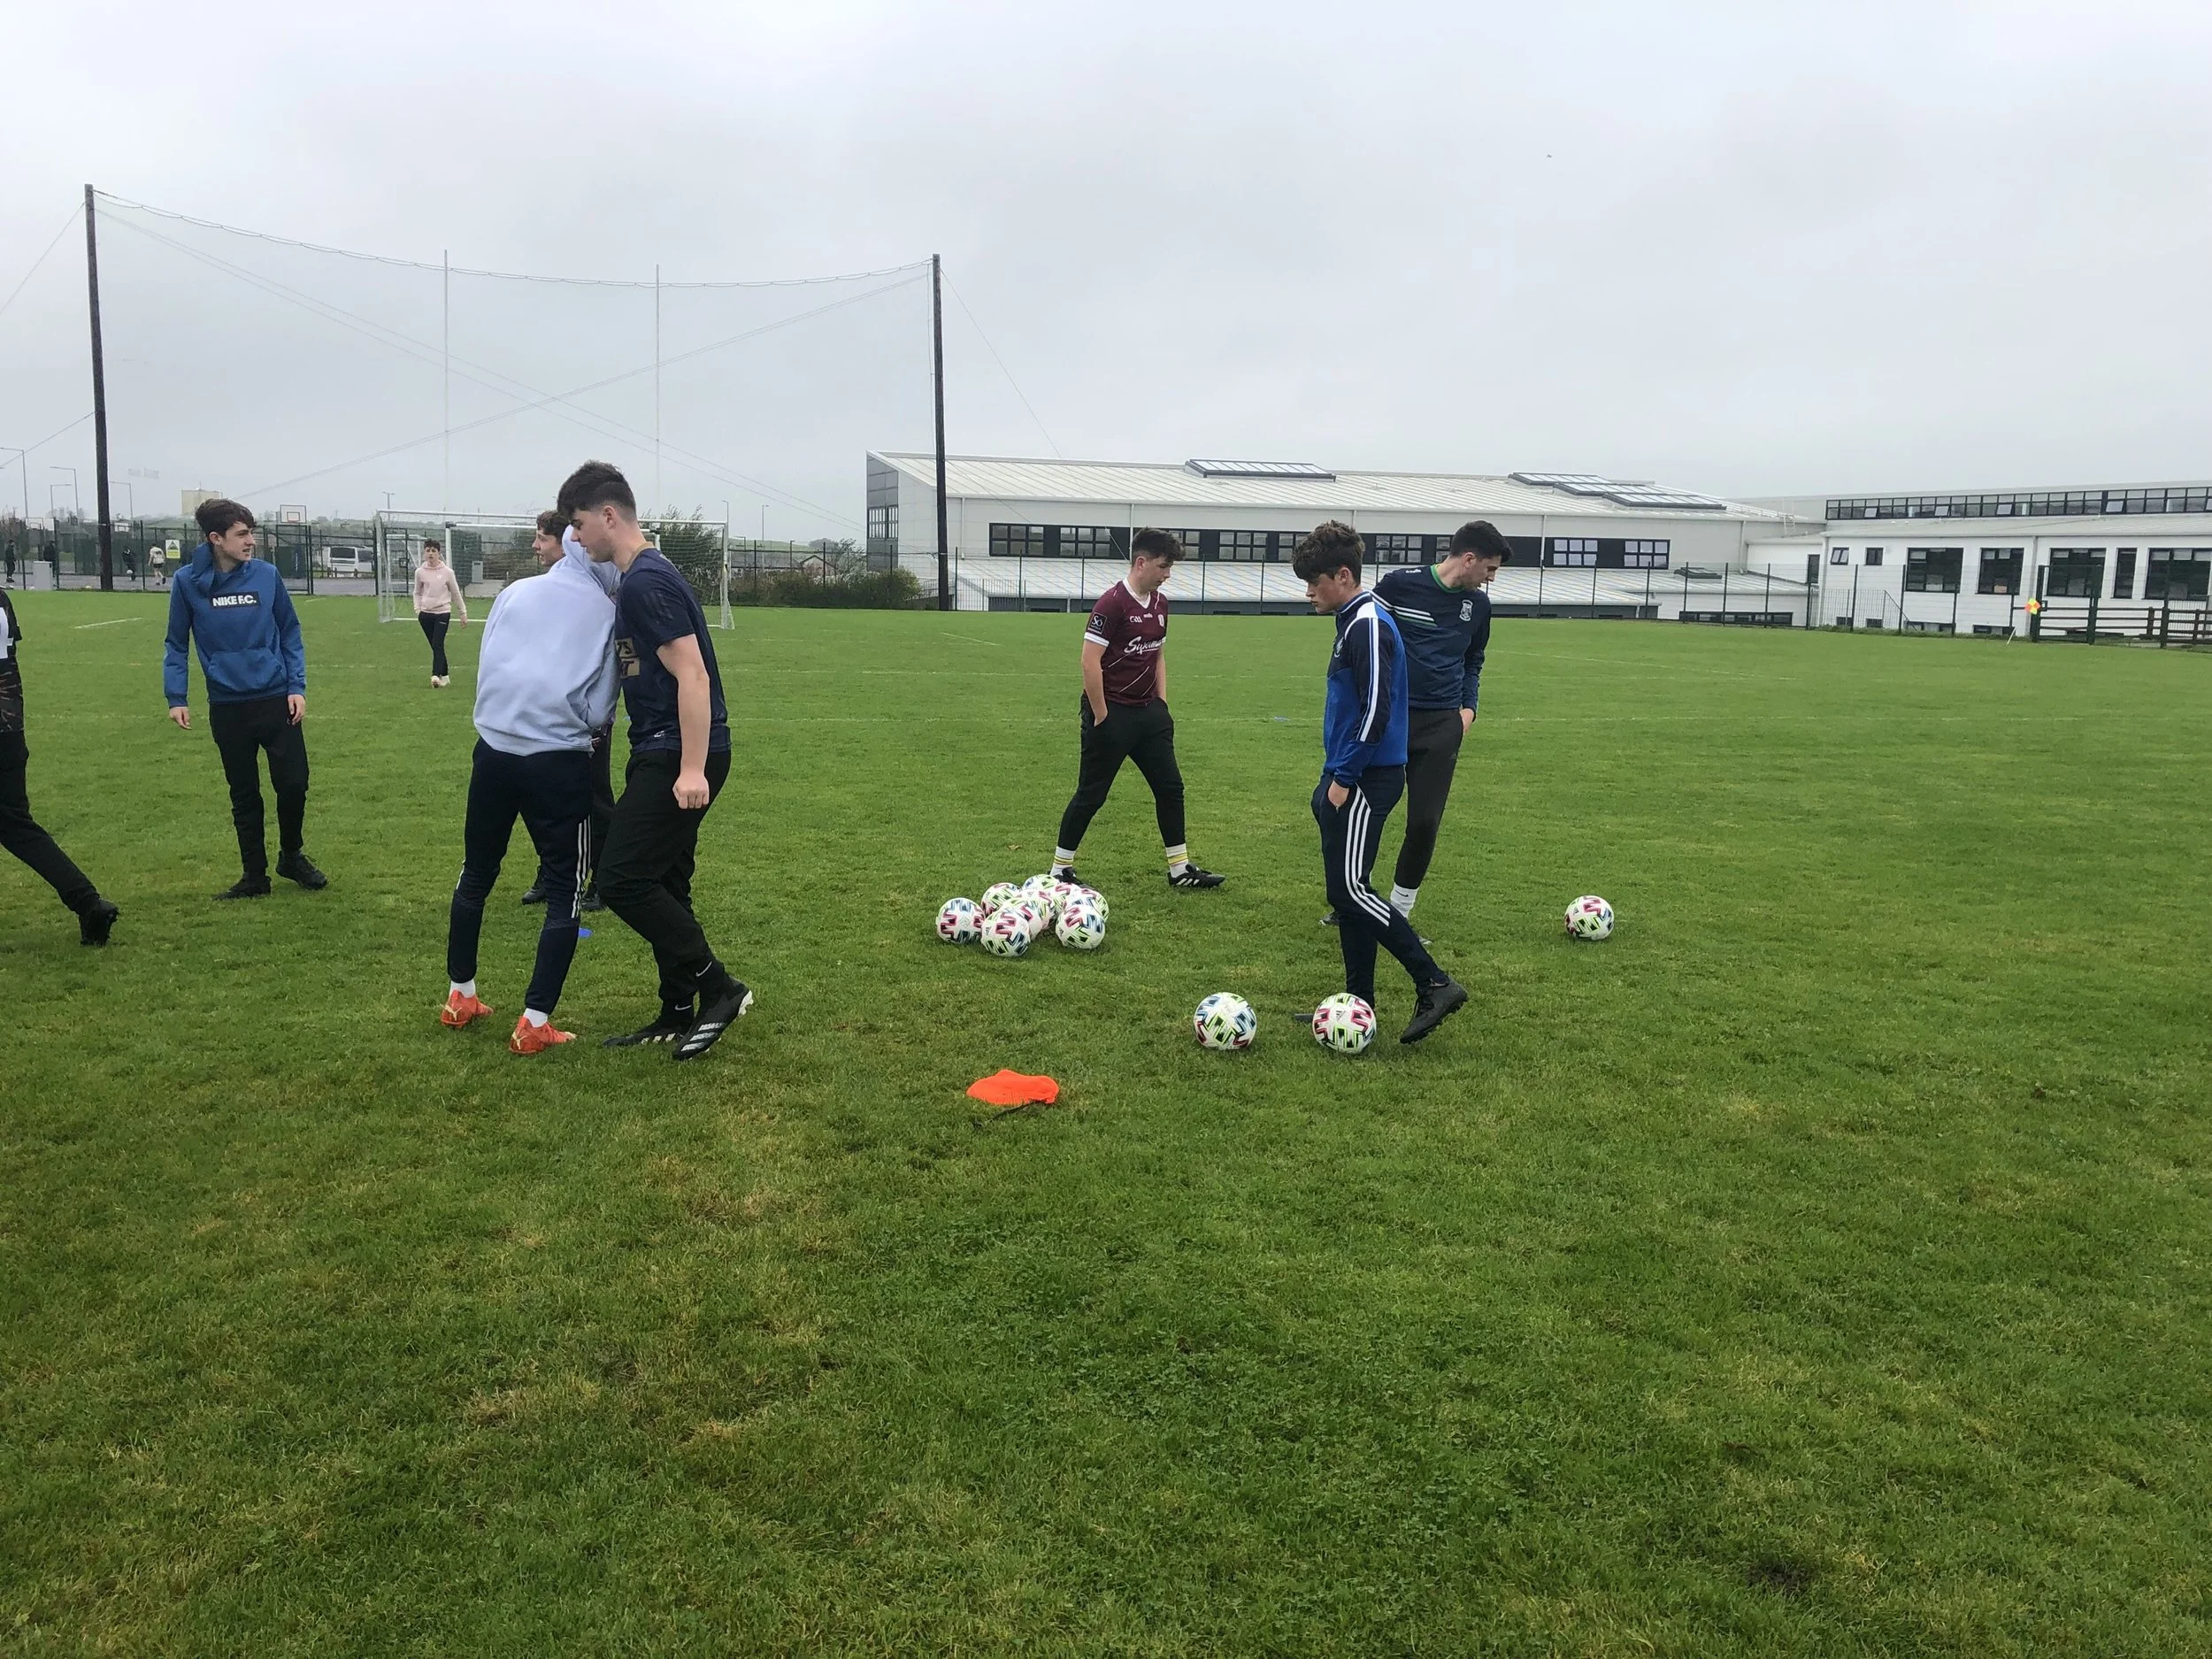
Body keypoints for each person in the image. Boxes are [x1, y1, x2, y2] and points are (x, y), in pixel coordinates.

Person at [561, 460, 749, 1061]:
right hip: (660, 746)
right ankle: (676, 1007)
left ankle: (718, 986)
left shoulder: (647, 581)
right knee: (667, 878)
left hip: (679, 751)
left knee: (621, 878)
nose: (576, 535)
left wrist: (691, 768)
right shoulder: (637, 577)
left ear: (608, 515)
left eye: (580, 522)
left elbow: (692, 673)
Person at [438, 510, 620, 1054]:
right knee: (566, 886)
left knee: (476, 872)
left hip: (493, 750)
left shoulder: (514, 592)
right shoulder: (605, 612)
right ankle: (535, 1021)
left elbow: (489, 661)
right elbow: (602, 704)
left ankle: (460, 995)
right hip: (557, 760)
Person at [1294, 520, 1468, 1045]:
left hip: (1368, 775)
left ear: (1342, 576)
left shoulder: (1368, 621)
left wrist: (1344, 777)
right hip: (1346, 769)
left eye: (1314, 583)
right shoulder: (1352, 617)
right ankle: (1358, 1002)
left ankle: (1434, 982)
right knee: (1351, 893)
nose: (1308, 594)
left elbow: (1377, 706)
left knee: (1348, 889)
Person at [1326, 518, 1508, 929]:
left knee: (1424, 822)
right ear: (1468, 559)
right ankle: (1352, 898)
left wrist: (1469, 708)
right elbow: (1362, 636)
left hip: (1443, 724)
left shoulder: (1478, 607)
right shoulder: (1397, 585)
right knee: (1366, 812)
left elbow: (1473, 661)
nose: (1490, 579)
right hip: (1391, 721)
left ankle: (1400, 913)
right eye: (1489, 569)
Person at [164, 497, 327, 900]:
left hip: (275, 699)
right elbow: (175, 643)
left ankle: (291, 856)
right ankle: (255, 877)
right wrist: (177, 696)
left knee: (294, 784)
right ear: (216, 539)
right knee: (244, 795)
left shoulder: (267, 576)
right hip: (227, 705)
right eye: (242, 534)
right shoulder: (187, 583)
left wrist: (296, 687)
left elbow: (290, 632)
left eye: (251, 532)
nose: (251, 541)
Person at [1047, 528, 1224, 890]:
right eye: (1163, 566)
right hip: (1112, 714)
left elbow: (1157, 654)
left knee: (1171, 787)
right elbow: (1089, 662)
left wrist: (1162, 704)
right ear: (1141, 563)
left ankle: (1179, 868)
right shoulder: (1111, 603)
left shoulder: (1160, 604)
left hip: (1150, 716)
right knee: (1091, 794)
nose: (1167, 574)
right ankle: (1059, 869)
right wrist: (1101, 715)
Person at [1, 587, 118, 943]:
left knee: (15, 825)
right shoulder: (2, 599)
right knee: (16, 826)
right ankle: (87, 902)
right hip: (8, 729)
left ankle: (88, 902)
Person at [518, 511, 614, 913]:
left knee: (593, 798)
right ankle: (552, 871)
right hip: (543, 716)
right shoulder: (539, 592)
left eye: (543, 538)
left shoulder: (595, 592)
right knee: (541, 798)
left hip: (585, 717)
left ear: (566, 543)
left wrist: (598, 717)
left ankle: (602, 881)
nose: (536, 546)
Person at [411, 539, 468, 687]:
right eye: (428, 550)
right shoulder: (420, 572)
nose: (430, 553)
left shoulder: (447, 573)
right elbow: (417, 592)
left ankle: (435, 676)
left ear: (438, 553)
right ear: (424, 553)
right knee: (436, 646)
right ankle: (446, 676)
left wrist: (463, 613)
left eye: (433, 551)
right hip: (425, 614)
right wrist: (418, 609)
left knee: (437, 644)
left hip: (442, 612)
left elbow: (455, 593)